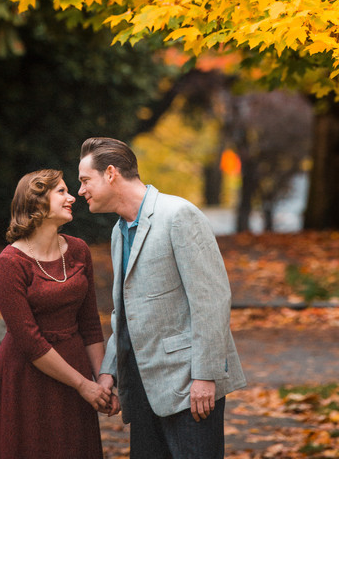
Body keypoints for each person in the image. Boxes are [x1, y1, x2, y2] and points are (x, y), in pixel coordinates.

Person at [78, 136, 246, 459]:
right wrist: (108, 373)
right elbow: (123, 313)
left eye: (86, 180)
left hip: (190, 388)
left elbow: (211, 299)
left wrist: (205, 375)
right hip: (142, 391)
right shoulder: (118, 232)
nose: (81, 191)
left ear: (110, 173)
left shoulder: (178, 215)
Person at [0, 169, 110, 459]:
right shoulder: (10, 262)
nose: (72, 198)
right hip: (26, 374)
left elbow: (90, 323)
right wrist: (83, 384)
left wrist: (102, 380)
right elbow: (29, 340)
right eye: (62, 192)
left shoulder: (79, 250)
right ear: (37, 202)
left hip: (77, 368)